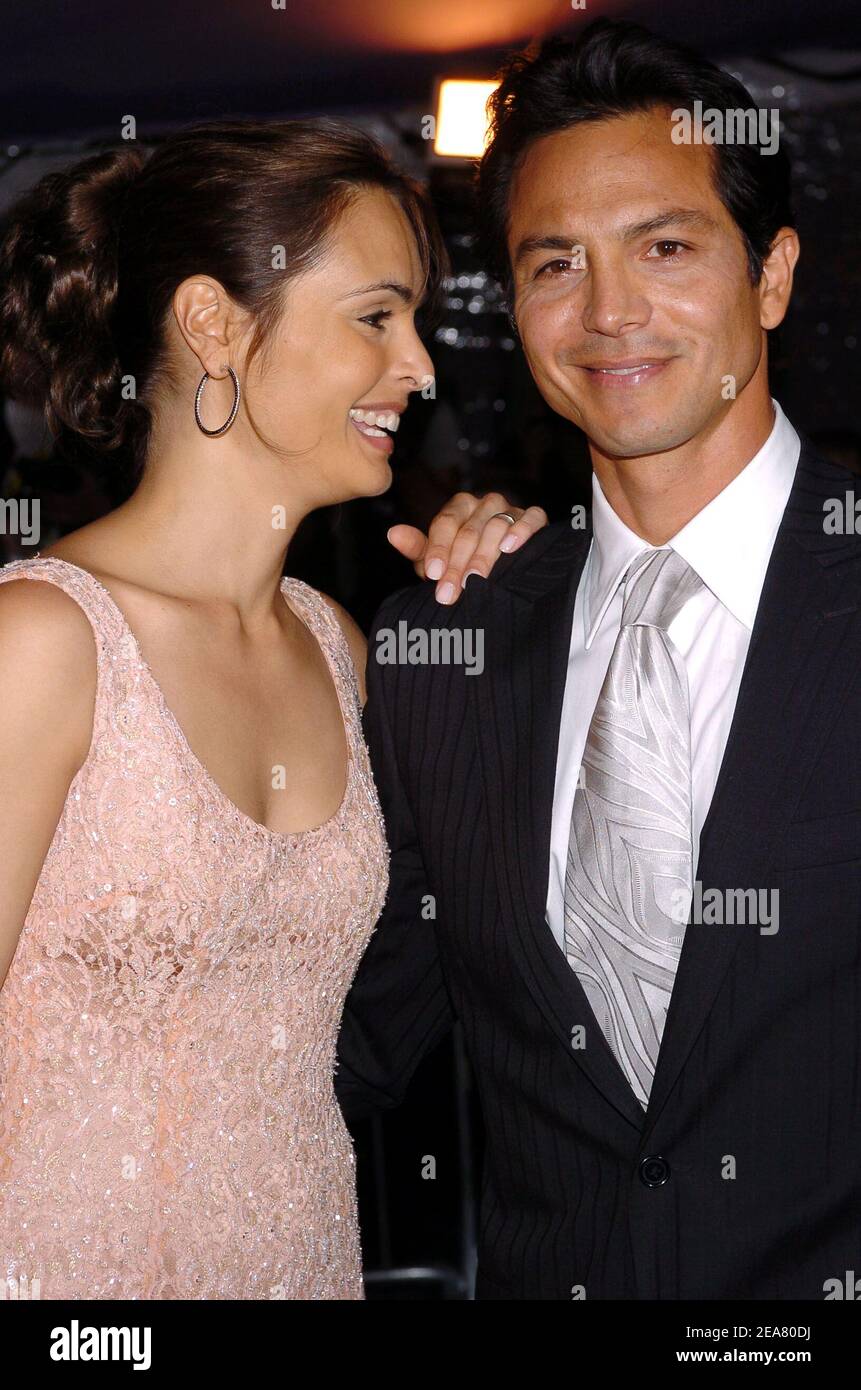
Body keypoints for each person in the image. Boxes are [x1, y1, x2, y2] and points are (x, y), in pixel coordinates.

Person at [335, 19, 861, 1299]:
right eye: (554, 262)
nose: (610, 311)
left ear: (773, 276)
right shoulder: (441, 642)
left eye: (666, 248)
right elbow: (342, 1048)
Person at [0, 118, 546, 1300]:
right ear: (213, 324)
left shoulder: (339, 647)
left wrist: (519, 625)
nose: (422, 366)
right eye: (375, 317)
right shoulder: (41, 643)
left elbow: (452, 966)